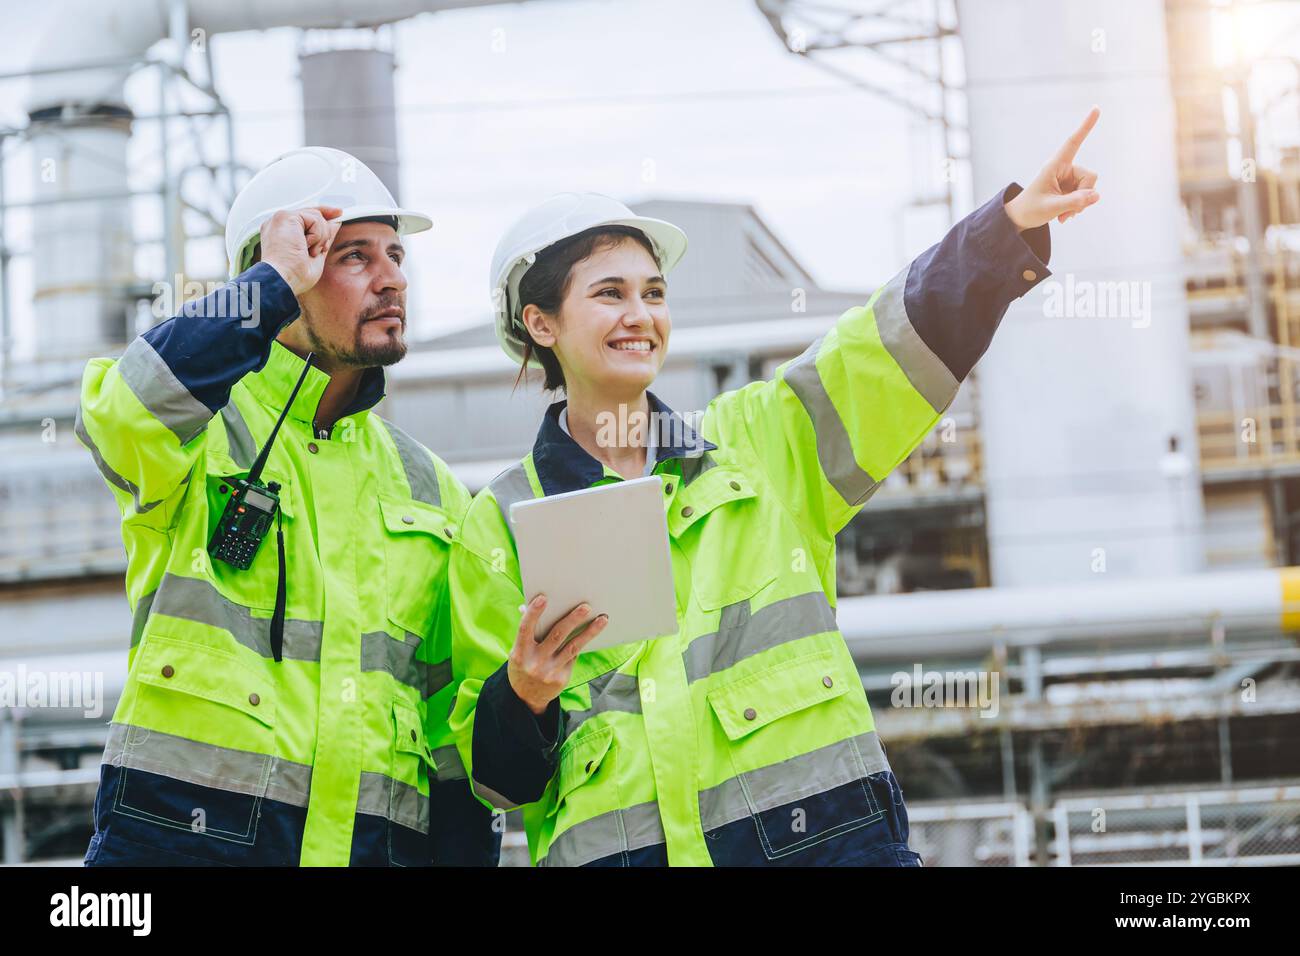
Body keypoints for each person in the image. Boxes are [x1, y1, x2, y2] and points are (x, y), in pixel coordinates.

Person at [448, 110, 1102, 866]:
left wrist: (1007, 229)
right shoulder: (496, 527)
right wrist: (523, 694)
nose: (641, 316)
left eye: (653, 293)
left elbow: (885, 346)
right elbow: (494, 781)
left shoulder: (761, 444)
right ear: (540, 322)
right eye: (610, 295)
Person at [77, 146, 494, 866]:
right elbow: (120, 417)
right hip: (183, 842)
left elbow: (448, 731)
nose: (393, 277)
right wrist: (267, 289)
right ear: (279, 268)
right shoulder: (202, 427)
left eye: (395, 254)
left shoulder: (431, 488)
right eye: (354, 256)